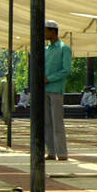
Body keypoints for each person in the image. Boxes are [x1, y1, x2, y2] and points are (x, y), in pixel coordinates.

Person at [43, 20, 72, 161]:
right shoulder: (46, 50)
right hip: (44, 89)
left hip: (55, 89)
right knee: (47, 122)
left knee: (57, 122)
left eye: (45, 31)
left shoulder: (64, 48)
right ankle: (51, 151)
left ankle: (62, 152)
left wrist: (50, 79)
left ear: (53, 32)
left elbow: (66, 70)